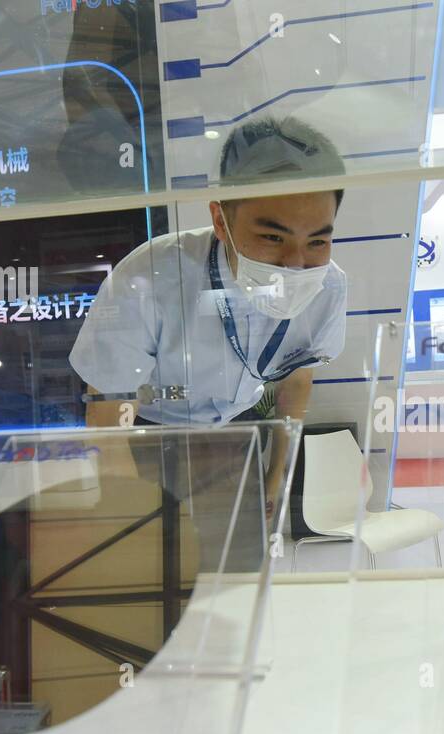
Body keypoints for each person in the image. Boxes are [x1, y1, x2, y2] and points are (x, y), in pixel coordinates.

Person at [70, 116, 348, 570]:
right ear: (221, 219)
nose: (295, 265)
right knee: (151, 575)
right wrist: (123, 508)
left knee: (237, 575)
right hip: (149, 435)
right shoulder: (151, 276)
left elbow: (297, 381)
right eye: (272, 237)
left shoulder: (328, 288)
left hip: (233, 437)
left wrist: (276, 476)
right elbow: (109, 410)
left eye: (317, 241)